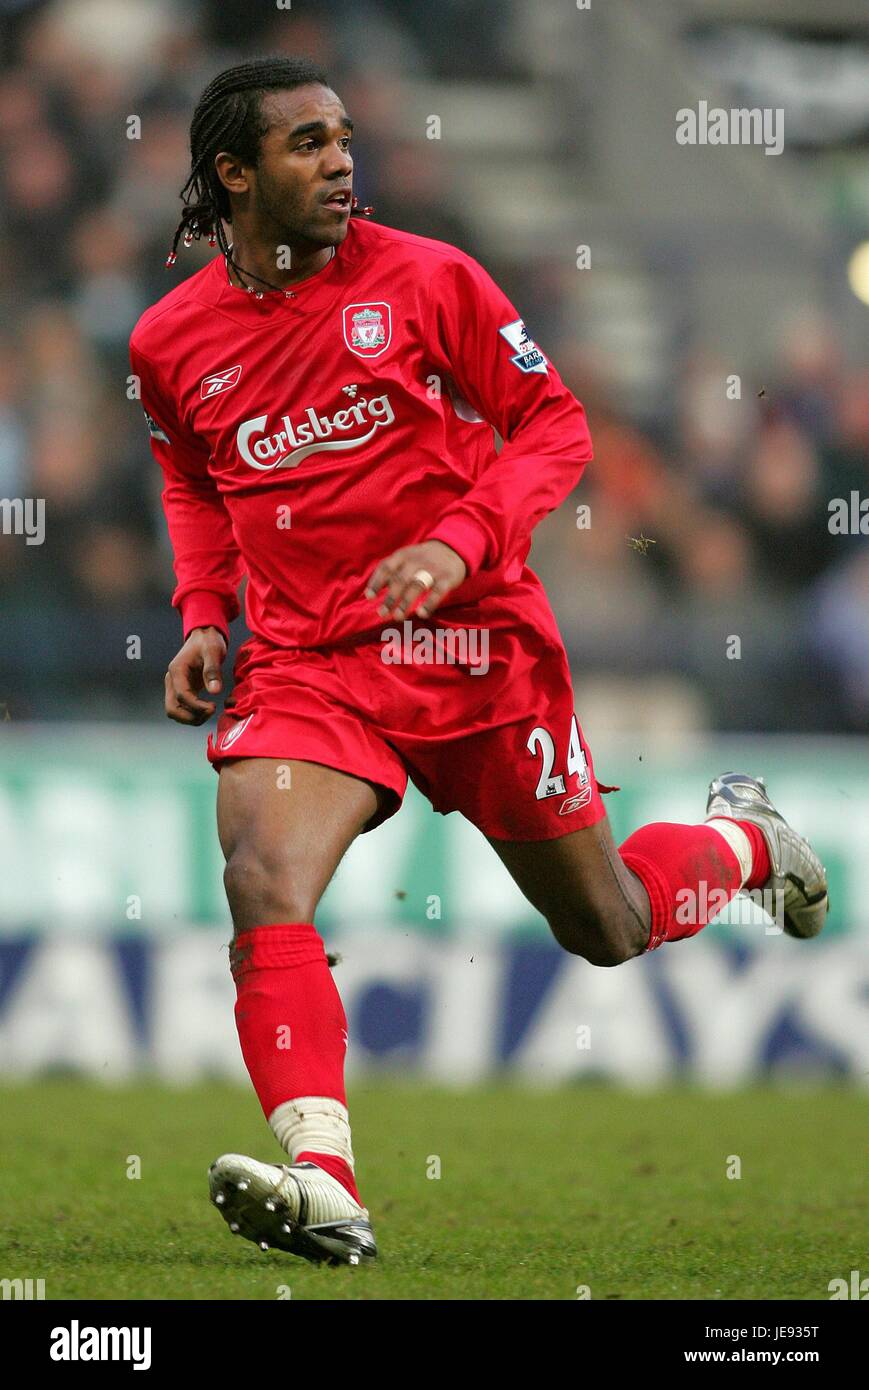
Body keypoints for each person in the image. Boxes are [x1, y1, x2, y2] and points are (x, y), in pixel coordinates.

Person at [129, 57, 828, 1267]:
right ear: (233, 175)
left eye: (344, 138)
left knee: (605, 927)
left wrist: (458, 544)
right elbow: (192, 475)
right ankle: (325, 1180)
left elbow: (552, 422)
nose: (341, 159)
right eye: (306, 144)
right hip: (311, 659)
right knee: (261, 871)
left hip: (475, 647)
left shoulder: (427, 278)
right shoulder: (168, 341)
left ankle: (743, 841)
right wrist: (202, 610)